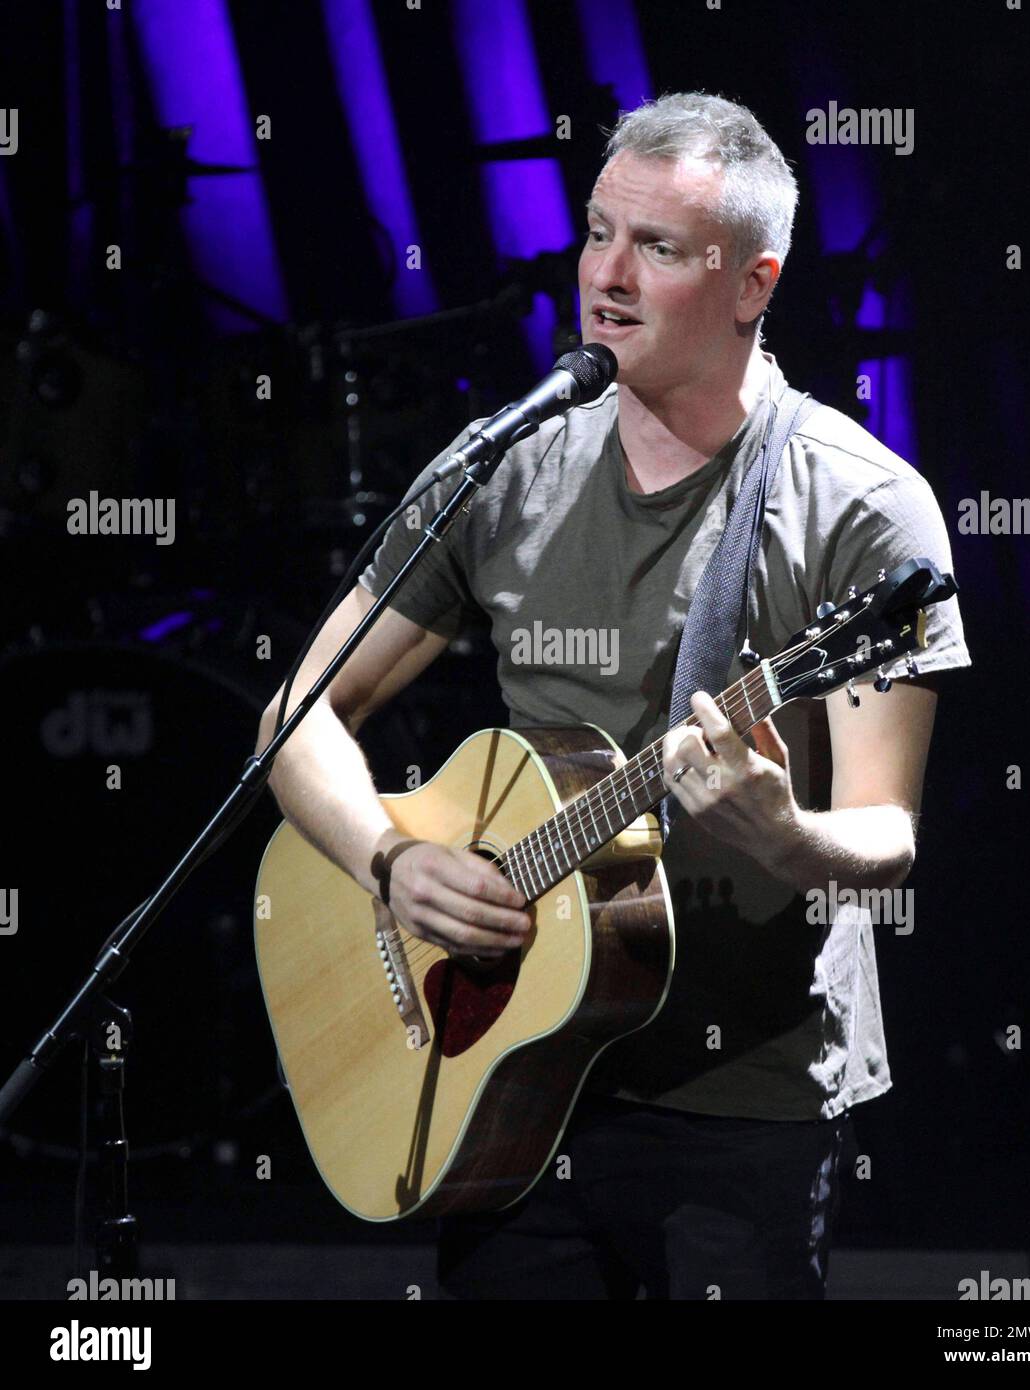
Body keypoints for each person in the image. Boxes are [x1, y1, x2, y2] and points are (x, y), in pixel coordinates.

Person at [256, 92, 970, 1299]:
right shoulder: (509, 462)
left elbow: (887, 834)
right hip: (502, 1071)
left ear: (753, 283)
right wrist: (389, 859)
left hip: (738, 1096)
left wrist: (784, 833)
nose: (608, 275)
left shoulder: (856, 502)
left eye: (660, 248)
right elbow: (298, 711)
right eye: (598, 234)